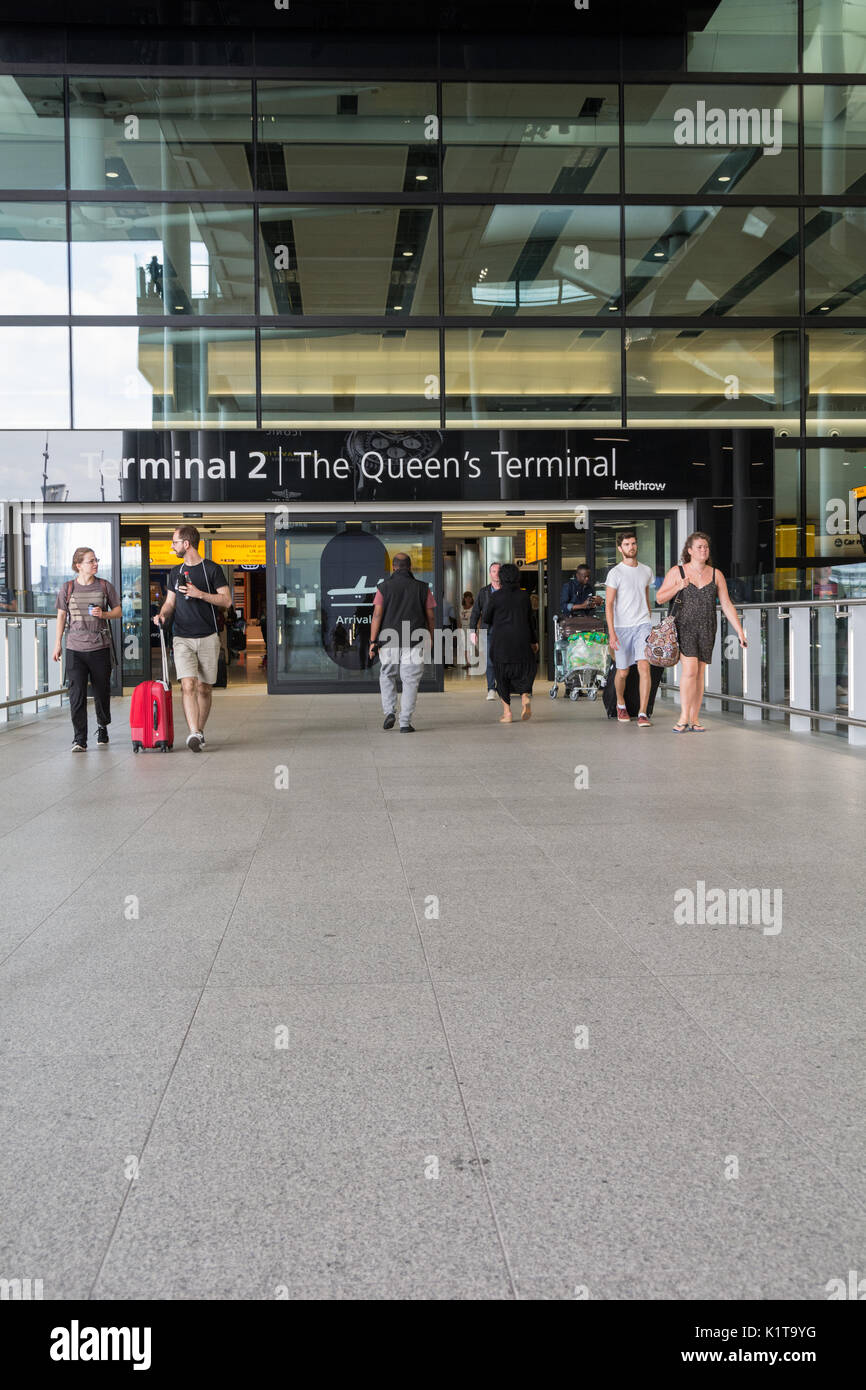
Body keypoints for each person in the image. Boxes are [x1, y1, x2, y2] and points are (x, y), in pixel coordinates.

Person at [656, 531, 747, 733]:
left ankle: (695, 718)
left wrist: (740, 631)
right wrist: (678, 586)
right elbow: (660, 598)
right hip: (683, 626)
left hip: (707, 627)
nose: (704, 550)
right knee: (689, 671)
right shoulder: (678, 572)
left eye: (706, 547)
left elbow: (726, 604)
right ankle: (683, 717)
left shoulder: (716, 574)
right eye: (699, 547)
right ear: (689, 551)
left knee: (699, 674)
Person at [153, 526, 232, 751]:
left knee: (205, 689)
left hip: (208, 636)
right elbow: (170, 603)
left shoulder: (212, 569)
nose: (172, 546)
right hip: (182, 637)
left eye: (175, 542)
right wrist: (162, 614)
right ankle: (194, 733)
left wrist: (200, 594)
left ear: (186, 544)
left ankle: (200, 730)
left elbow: (226, 601)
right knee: (187, 685)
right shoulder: (174, 572)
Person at [52, 547, 121, 751]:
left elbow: (118, 611)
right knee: (77, 693)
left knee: (101, 691)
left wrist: (104, 614)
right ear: (78, 565)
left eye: (96, 560)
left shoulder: (104, 586)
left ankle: (102, 727)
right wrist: (57, 644)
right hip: (74, 648)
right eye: (91, 561)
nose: (95, 564)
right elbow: (61, 617)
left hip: (100, 647)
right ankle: (79, 738)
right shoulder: (68, 588)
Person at [369, 552, 436, 732]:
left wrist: (372, 641)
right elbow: (430, 616)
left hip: (388, 641)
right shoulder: (423, 588)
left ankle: (389, 711)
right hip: (414, 640)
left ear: (393, 567)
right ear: (410, 567)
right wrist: (431, 637)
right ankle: (405, 723)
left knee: (387, 675)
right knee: (410, 681)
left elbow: (377, 615)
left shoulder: (383, 587)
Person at [605, 530, 654, 728]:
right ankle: (620, 703)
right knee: (623, 672)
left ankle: (643, 712)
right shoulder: (615, 573)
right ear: (620, 548)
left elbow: (645, 595)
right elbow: (609, 604)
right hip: (621, 627)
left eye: (633, 543)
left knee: (644, 666)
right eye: (626, 544)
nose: (631, 547)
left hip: (642, 624)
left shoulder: (646, 571)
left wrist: (648, 617)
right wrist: (612, 633)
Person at [483, 562, 538, 724]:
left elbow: (486, 618)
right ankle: (524, 696)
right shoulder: (524, 596)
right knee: (525, 669)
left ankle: (507, 713)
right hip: (521, 640)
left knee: (502, 676)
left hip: (501, 642)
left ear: (501, 577)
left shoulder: (496, 596)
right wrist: (534, 641)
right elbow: (530, 621)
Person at [469, 561, 502, 700]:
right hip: (487, 631)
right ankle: (491, 689)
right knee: (489, 661)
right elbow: (476, 612)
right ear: (490, 574)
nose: (497, 574)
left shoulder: (507, 591)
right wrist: (472, 631)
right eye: (494, 571)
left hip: (504, 631)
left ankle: (502, 687)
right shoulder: (484, 592)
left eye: (499, 571)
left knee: (503, 661)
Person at [460, 590, 474, 669]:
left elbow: (478, 618)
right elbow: (459, 620)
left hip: (471, 628)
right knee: (465, 646)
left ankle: (483, 661)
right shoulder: (461, 607)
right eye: (466, 598)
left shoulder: (474, 607)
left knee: (475, 646)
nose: (468, 599)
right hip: (464, 629)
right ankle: (467, 663)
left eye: (470, 598)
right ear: (464, 599)